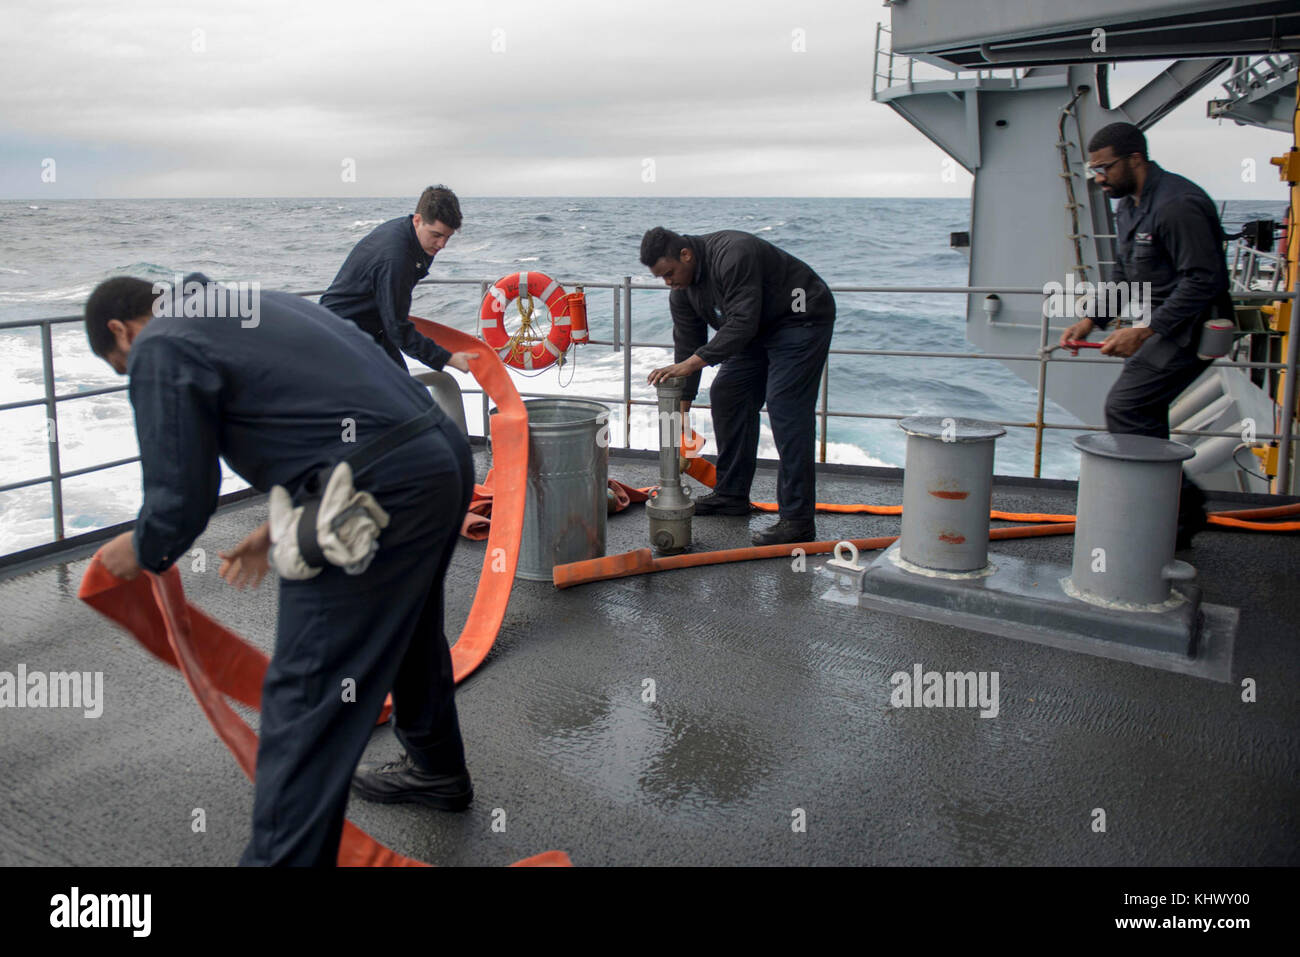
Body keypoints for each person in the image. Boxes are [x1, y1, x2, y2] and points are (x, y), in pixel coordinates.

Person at [86, 274, 478, 866]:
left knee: (307, 693)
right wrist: (271, 533)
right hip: (437, 454)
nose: (130, 373)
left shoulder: (160, 343)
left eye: (121, 365)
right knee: (410, 628)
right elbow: (338, 408)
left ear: (121, 330)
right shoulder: (245, 306)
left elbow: (179, 501)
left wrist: (138, 549)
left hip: (376, 491)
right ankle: (436, 769)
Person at [1060, 122, 1233, 549]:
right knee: (1144, 413)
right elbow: (1124, 272)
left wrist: (1145, 331)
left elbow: (1203, 280)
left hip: (1190, 327)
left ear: (1135, 159)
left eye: (1104, 168)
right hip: (1163, 325)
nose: (1099, 179)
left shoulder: (1178, 204)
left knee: (1127, 407)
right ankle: (1165, 514)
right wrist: (1093, 320)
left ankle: (1183, 512)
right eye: (1093, 170)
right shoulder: (1129, 207)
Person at [643, 227, 836, 546]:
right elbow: (688, 345)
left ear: (686, 255)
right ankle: (731, 496)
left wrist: (693, 363)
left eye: (670, 273)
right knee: (727, 395)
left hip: (800, 320)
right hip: (754, 332)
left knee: (785, 407)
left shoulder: (734, 254)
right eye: (661, 278)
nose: (668, 282)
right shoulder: (682, 292)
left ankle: (798, 520)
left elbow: (741, 323)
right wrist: (682, 410)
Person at [321, 184, 477, 374]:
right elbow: (397, 328)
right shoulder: (396, 259)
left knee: (406, 391)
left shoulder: (411, 233)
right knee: (398, 397)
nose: (442, 244)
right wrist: (448, 358)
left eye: (448, 237)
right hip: (341, 335)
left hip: (374, 330)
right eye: (436, 235)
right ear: (418, 220)